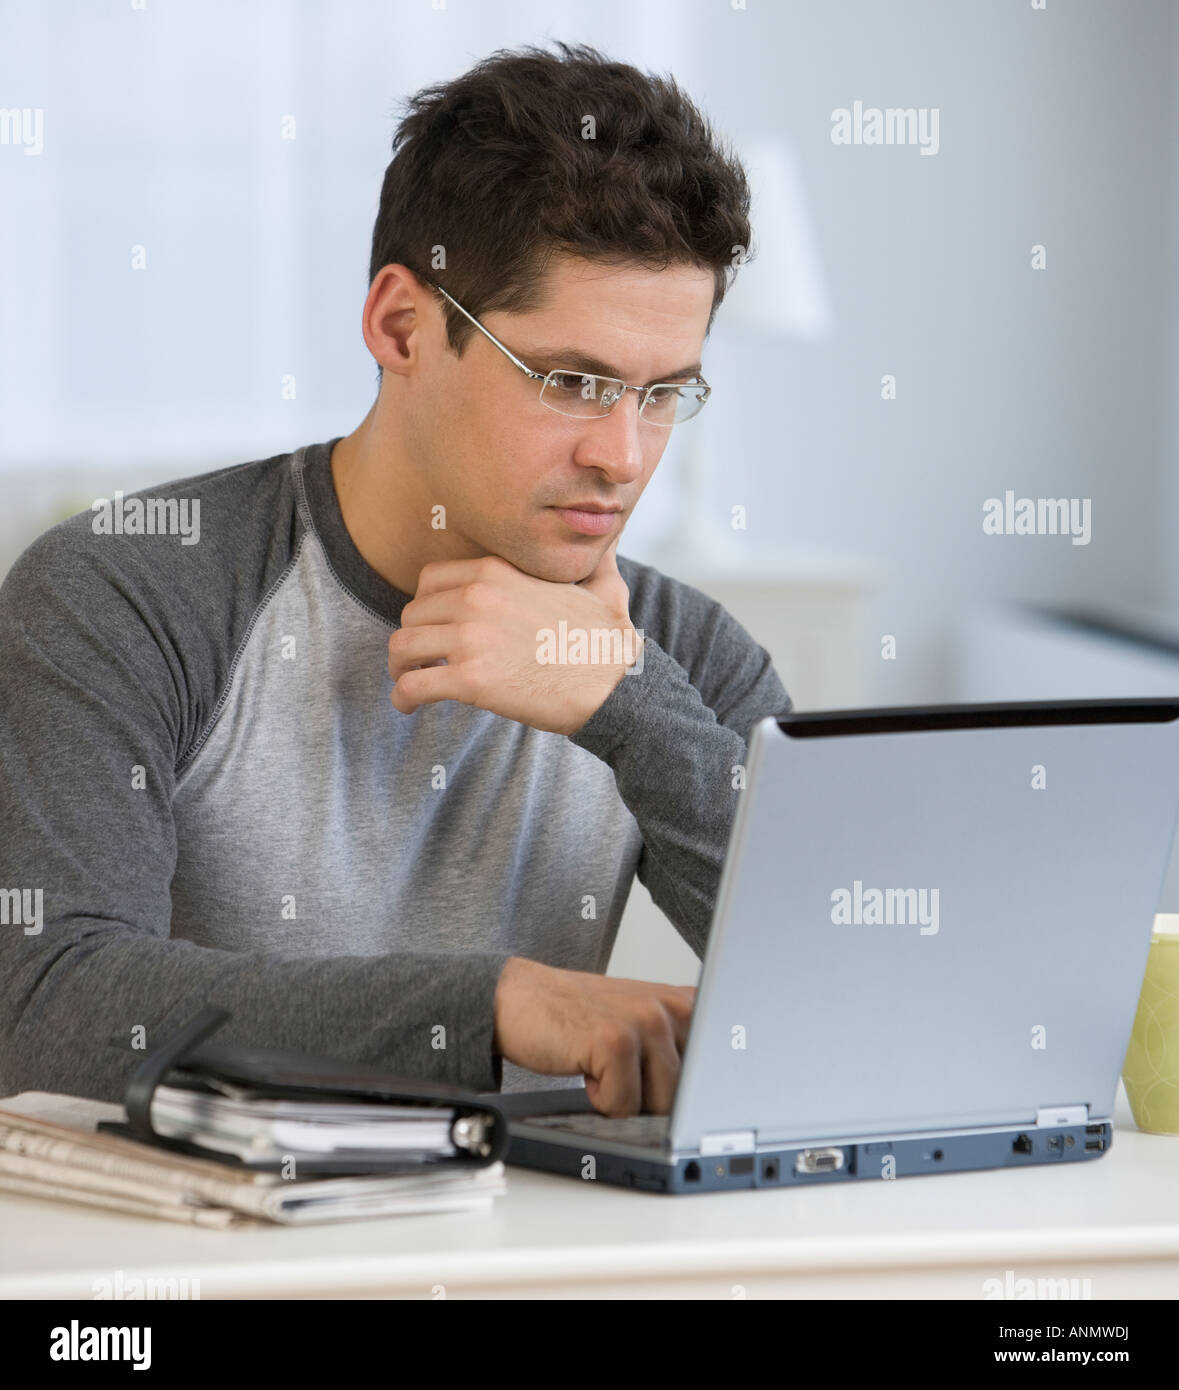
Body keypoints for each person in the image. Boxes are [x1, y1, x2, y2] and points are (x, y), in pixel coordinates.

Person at [0, 41, 790, 1117]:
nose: (625, 456)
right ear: (401, 326)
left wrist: (632, 712)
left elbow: (857, 999)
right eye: (572, 381)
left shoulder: (676, 655)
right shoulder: (125, 595)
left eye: (663, 395)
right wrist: (489, 1007)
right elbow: (45, 1004)